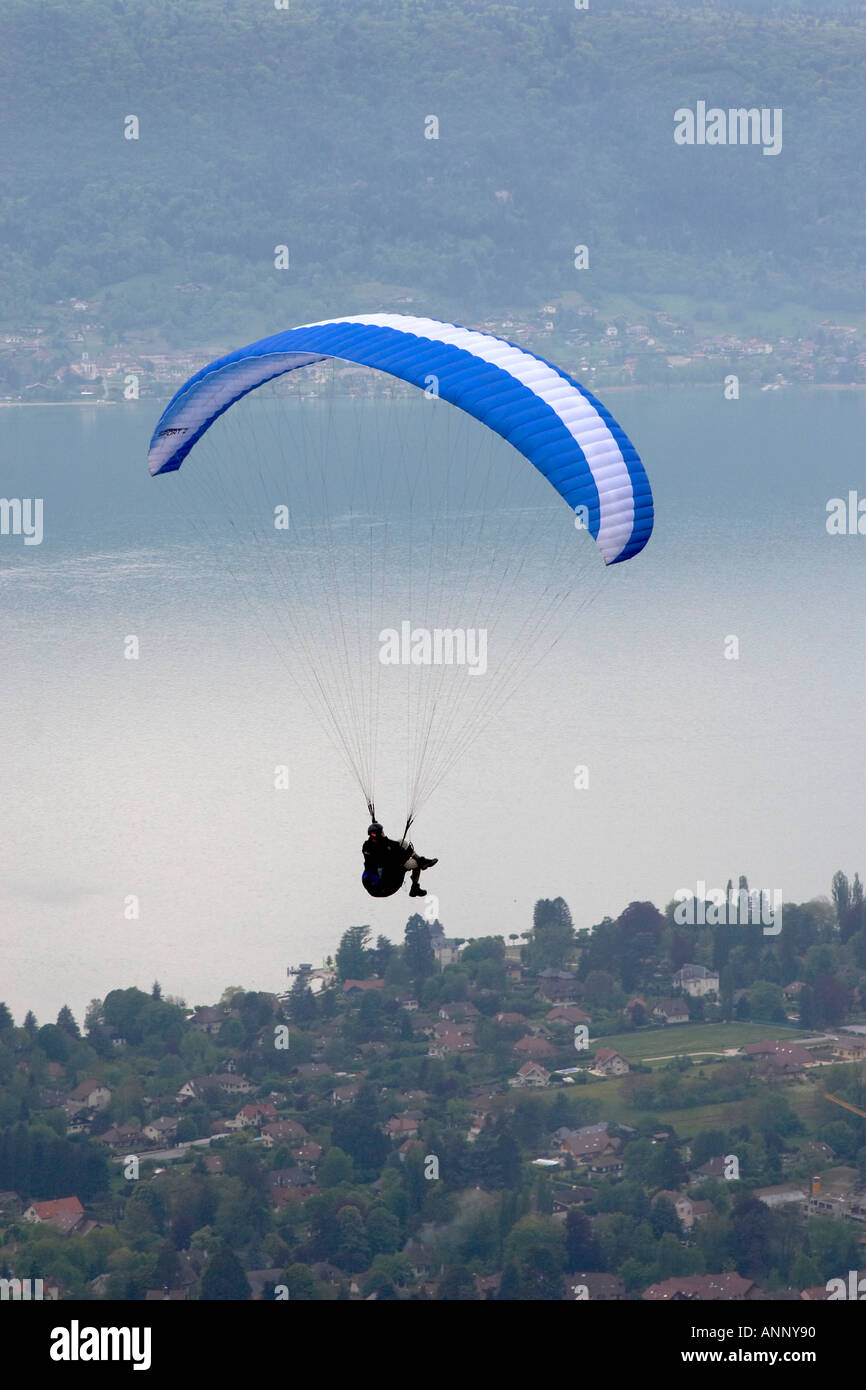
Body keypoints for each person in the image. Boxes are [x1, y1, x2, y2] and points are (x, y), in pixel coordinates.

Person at [361, 822, 438, 898]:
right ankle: (415, 885)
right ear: (377, 835)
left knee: (402, 842)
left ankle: (420, 860)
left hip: (381, 877)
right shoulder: (380, 849)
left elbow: (392, 845)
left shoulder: (369, 844)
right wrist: (405, 853)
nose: (383, 834)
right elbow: (395, 859)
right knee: (415, 863)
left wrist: (375, 826)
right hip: (385, 885)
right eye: (381, 833)